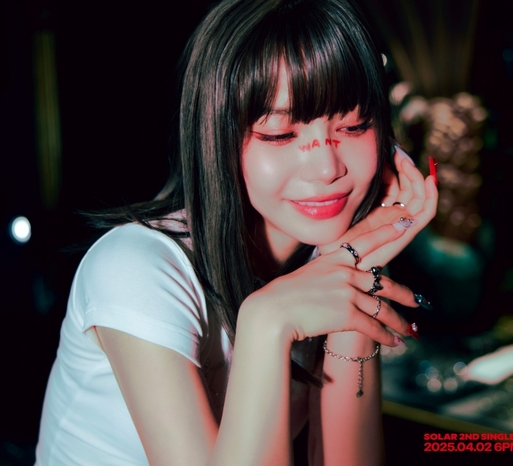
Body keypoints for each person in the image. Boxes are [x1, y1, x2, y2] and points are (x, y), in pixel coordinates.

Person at [35, 0, 438, 464]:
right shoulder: (135, 269)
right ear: (216, 133)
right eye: (280, 134)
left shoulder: (328, 260)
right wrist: (265, 322)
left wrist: (356, 269)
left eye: (353, 125)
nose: (327, 168)